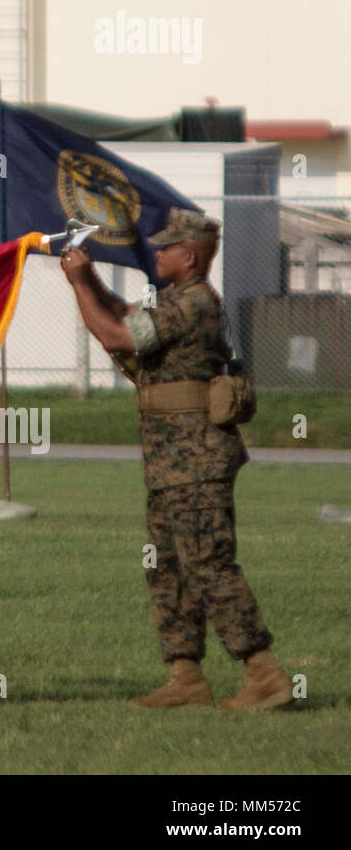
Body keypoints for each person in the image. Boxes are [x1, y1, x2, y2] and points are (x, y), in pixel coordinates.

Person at [60, 207, 292, 711]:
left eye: (166, 248)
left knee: (207, 562)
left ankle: (265, 674)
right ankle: (185, 676)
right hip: (172, 460)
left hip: (196, 459)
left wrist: (78, 285)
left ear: (189, 257)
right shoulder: (178, 302)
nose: (157, 253)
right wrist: (92, 277)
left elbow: (117, 337)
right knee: (166, 567)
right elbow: (127, 318)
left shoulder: (195, 303)